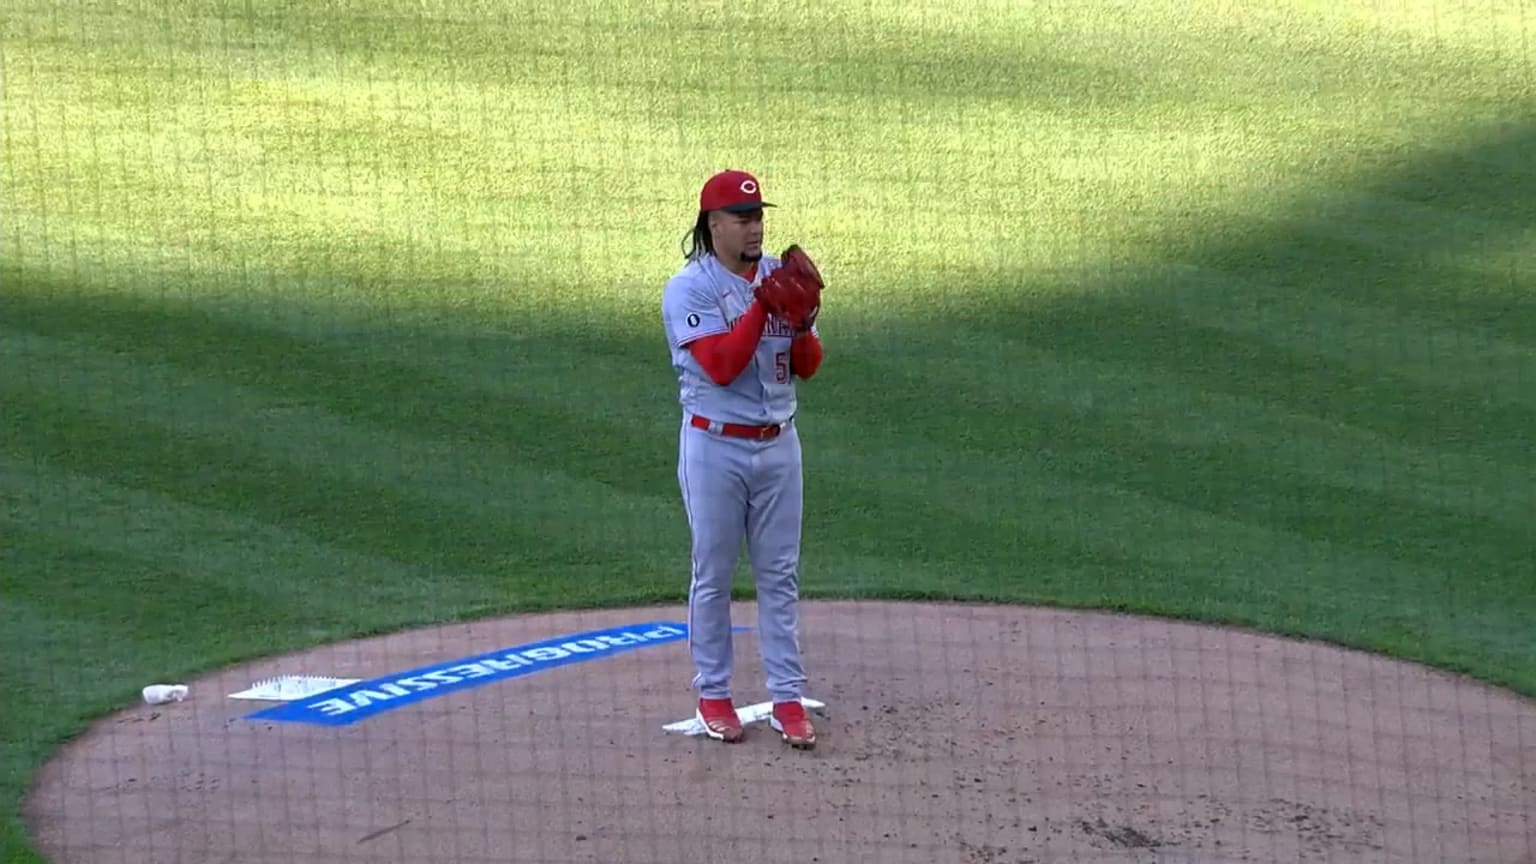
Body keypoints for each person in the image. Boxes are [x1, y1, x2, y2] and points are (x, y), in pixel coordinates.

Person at [659, 169, 824, 749]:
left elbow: (807, 365)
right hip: (714, 446)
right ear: (713, 225)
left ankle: (787, 697)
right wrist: (761, 307)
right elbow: (722, 366)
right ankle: (713, 694)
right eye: (742, 218)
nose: (755, 227)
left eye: (758, 216)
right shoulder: (690, 289)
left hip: (779, 443)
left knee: (780, 576)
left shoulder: (784, 274)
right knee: (715, 574)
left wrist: (802, 322)